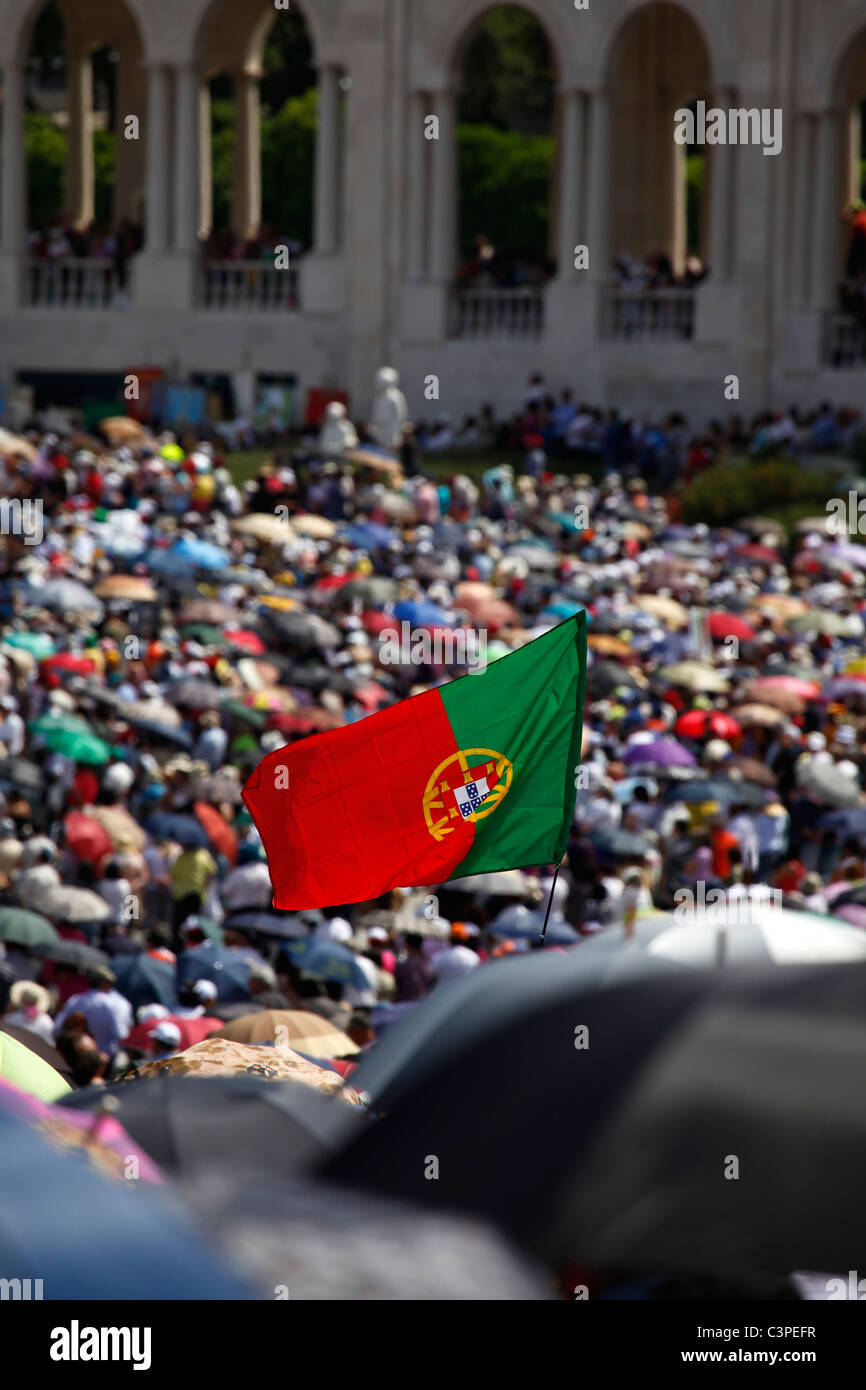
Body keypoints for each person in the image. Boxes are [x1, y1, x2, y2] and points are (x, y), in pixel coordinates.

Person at [53, 966, 133, 1058]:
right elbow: (121, 1034)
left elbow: (56, 1030)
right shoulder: (117, 1003)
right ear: (105, 984)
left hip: (75, 1056)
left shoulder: (75, 1000)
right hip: (105, 1058)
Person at [394, 931, 433, 1002]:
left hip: (405, 1004)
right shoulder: (428, 964)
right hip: (424, 1004)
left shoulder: (403, 965)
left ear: (407, 944)